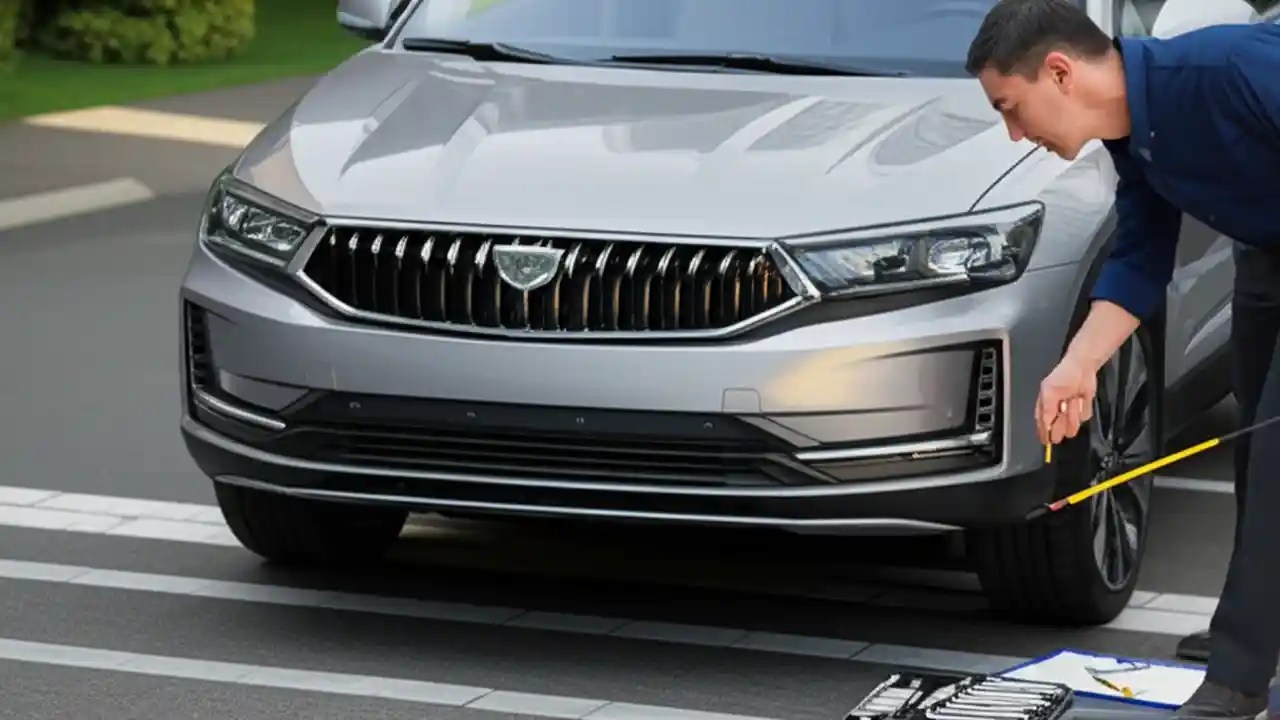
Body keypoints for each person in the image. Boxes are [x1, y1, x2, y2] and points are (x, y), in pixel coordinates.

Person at [964, 1, 1280, 718]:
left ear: (1059, 72)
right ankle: (1259, 628)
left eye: (1011, 109)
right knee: (1257, 464)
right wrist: (1077, 366)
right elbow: (1141, 258)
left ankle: (1239, 677)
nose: (1016, 133)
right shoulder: (1133, 140)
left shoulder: (1228, 68)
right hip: (1266, 257)